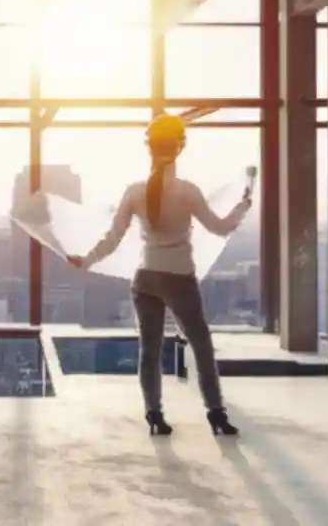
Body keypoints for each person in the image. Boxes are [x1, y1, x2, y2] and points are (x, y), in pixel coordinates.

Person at [67, 114, 251, 437]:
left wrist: (85, 261)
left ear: (150, 148)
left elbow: (112, 239)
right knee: (202, 346)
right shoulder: (188, 192)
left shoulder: (135, 191)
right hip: (179, 279)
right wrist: (242, 208)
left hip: (146, 279)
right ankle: (216, 413)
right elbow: (220, 228)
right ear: (179, 148)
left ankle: (154, 415)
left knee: (149, 352)